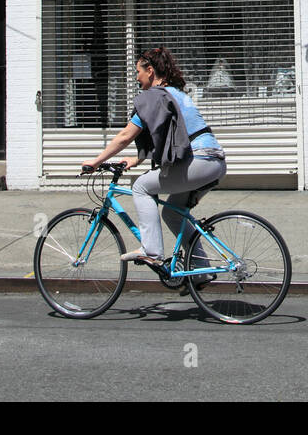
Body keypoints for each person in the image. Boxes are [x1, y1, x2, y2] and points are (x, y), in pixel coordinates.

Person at [84, 47, 226, 269]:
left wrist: (96, 161)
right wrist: (138, 159)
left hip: (199, 160)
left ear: (150, 70)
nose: (136, 77)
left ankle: (151, 250)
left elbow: (124, 136)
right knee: (172, 213)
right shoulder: (174, 94)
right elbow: (167, 133)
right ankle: (200, 272)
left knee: (141, 186)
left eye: (138, 71)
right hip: (214, 162)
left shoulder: (154, 97)